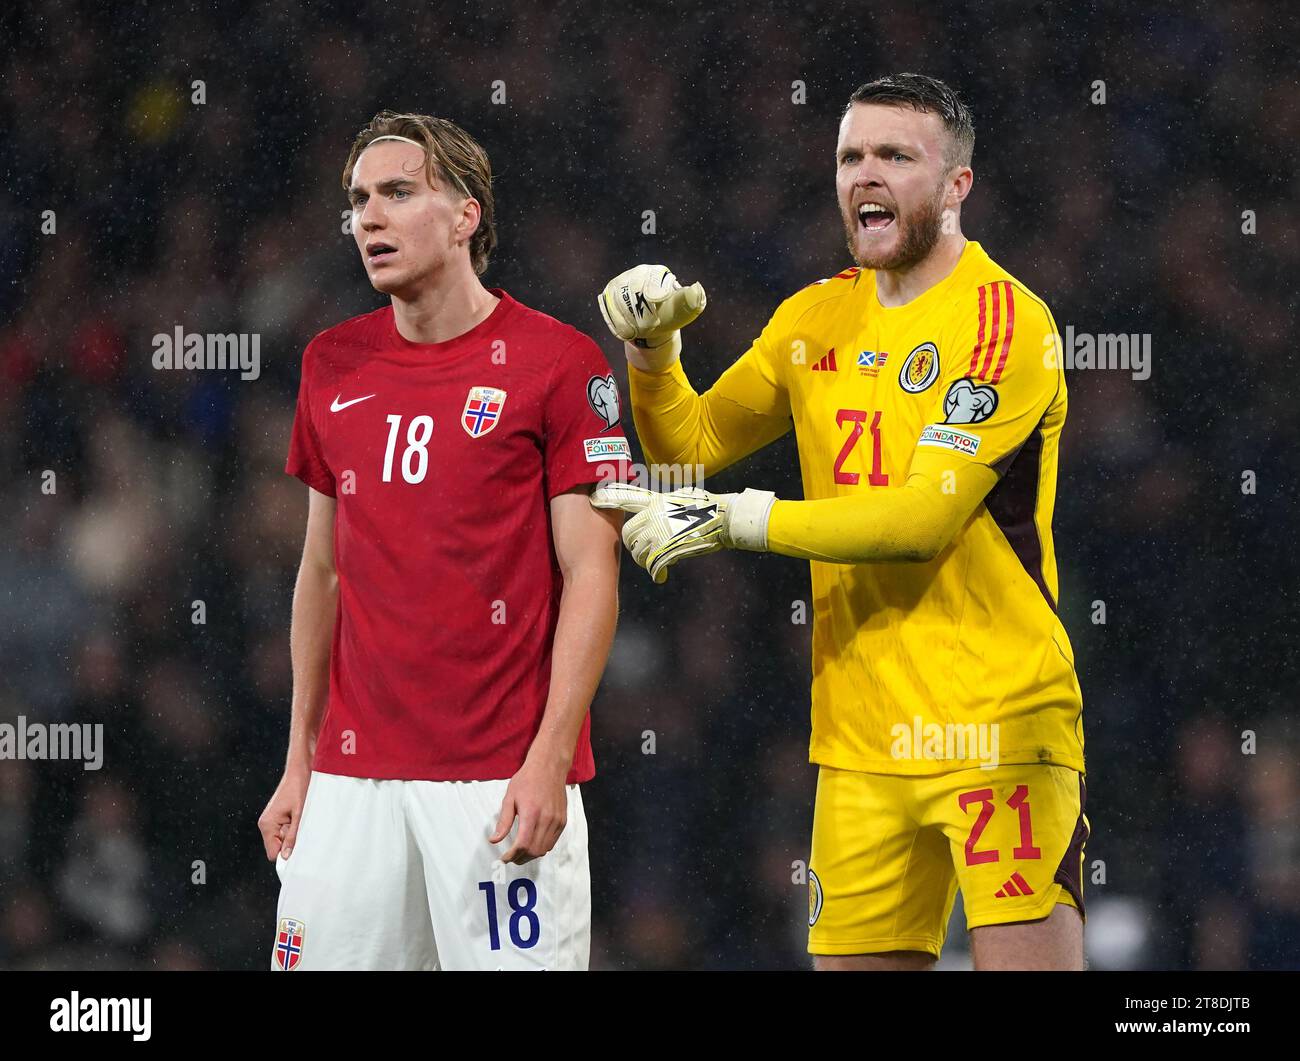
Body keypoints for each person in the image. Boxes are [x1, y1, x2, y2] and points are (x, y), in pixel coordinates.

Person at [593, 74, 1088, 970]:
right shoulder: (814, 316)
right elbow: (687, 450)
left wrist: (743, 521)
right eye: (851, 156)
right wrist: (653, 353)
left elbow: (918, 521)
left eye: (897, 156)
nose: (867, 175)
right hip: (858, 741)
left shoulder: (1005, 325)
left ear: (956, 185)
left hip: (999, 726)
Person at [258, 111, 629, 970]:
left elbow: (592, 570)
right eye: (357, 201)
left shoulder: (560, 363)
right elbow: (322, 572)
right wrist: (299, 760)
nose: (369, 219)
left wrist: (548, 761)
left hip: (496, 780)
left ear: (465, 216)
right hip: (350, 781)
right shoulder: (332, 362)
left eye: (397, 193)